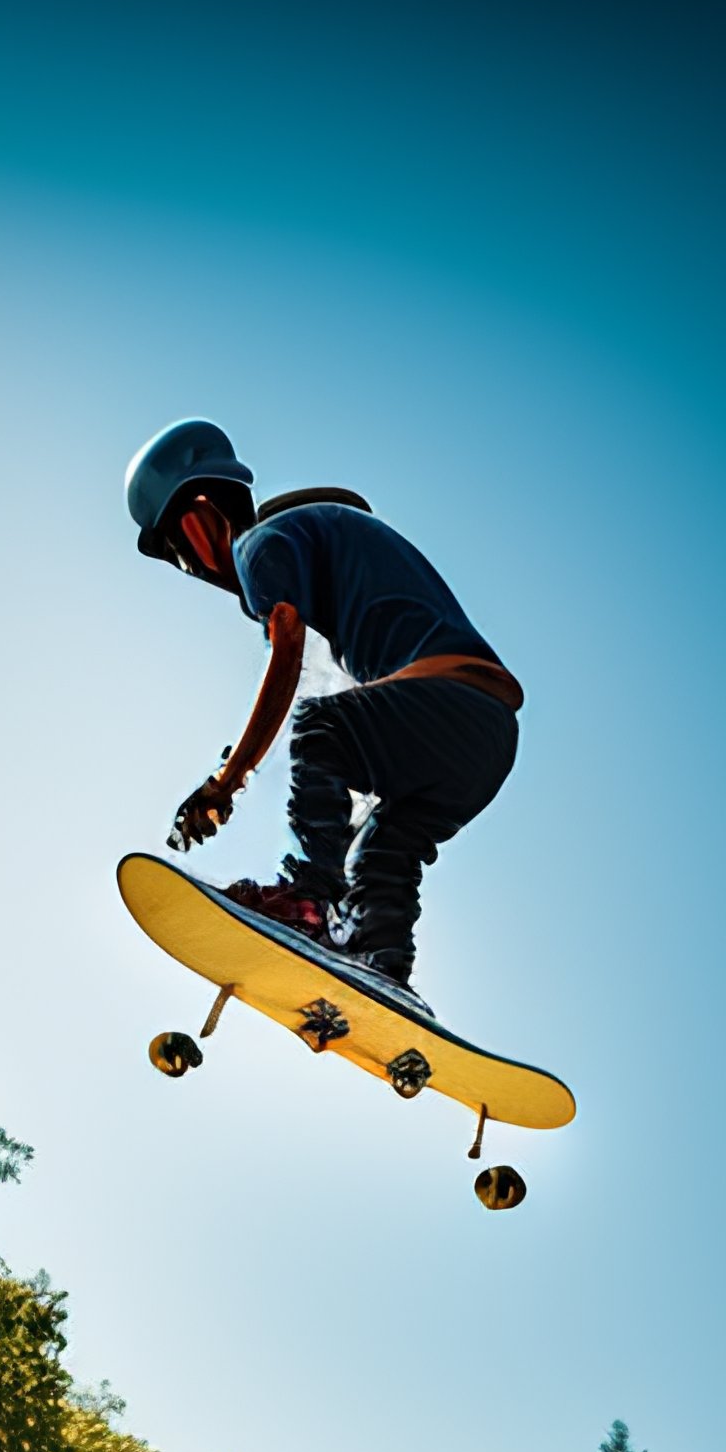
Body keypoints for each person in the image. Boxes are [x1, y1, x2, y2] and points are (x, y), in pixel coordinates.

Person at [125, 417, 522, 1012]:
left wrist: (224, 785)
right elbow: (315, 690)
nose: (197, 574)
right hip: (484, 737)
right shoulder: (318, 546)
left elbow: (291, 673)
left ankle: (308, 902)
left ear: (200, 519)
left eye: (183, 556)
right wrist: (250, 777)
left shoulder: (261, 544)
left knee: (323, 726)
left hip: (447, 700)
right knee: (386, 847)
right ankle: (383, 967)